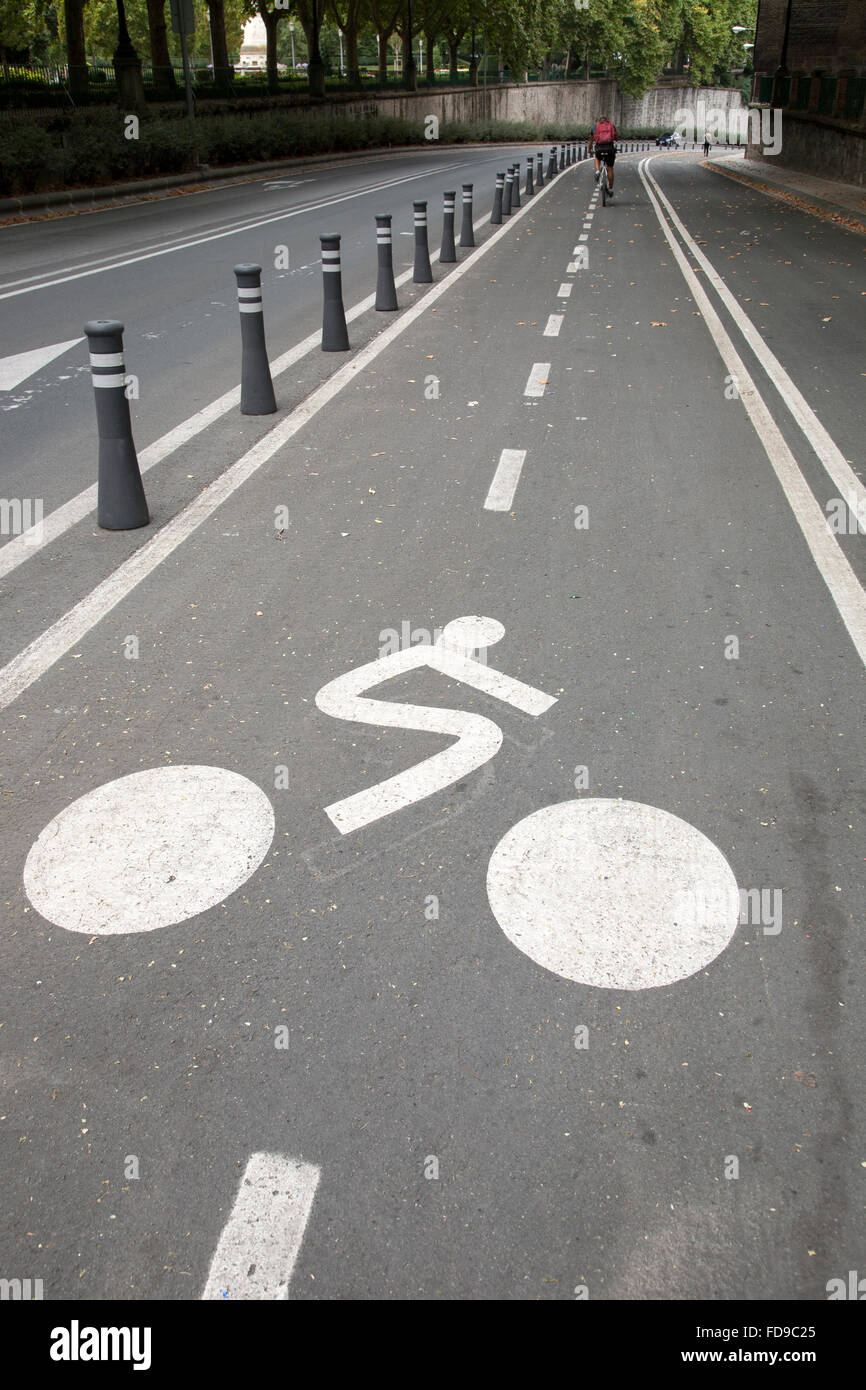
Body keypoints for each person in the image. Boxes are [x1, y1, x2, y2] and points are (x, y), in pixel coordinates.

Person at [591, 114, 617, 195]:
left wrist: (589, 149)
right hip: (609, 149)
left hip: (599, 149)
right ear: (607, 120)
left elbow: (591, 140)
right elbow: (616, 137)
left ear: (599, 121)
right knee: (610, 168)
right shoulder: (611, 125)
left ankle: (598, 171)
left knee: (597, 157)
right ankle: (611, 188)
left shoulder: (595, 127)